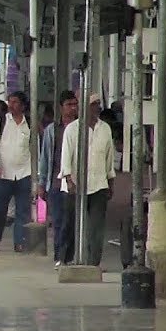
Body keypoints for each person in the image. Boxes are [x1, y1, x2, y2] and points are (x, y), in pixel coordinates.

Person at [58, 92, 116, 267]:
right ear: (84, 107)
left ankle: (93, 262)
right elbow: (66, 157)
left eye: (98, 103)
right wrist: (69, 180)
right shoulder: (72, 129)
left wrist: (110, 182)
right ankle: (65, 258)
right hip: (75, 185)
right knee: (70, 224)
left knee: (96, 227)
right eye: (93, 104)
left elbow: (109, 158)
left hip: (98, 184)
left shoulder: (105, 129)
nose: (97, 107)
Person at [0, 91, 34, 252]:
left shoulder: (30, 124)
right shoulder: (1, 122)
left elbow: (35, 149)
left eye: (15, 102)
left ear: (23, 106)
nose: (11, 105)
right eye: (10, 102)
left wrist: (36, 174)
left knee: (23, 211)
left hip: (24, 173)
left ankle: (19, 242)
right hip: (3, 174)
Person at [37, 90, 78, 267]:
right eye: (69, 105)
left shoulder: (80, 129)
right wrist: (41, 183)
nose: (73, 108)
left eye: (75, 104)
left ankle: (70, 255)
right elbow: (45, 158)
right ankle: (60, 256)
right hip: (55, 182)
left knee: (73, 222)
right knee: (59, 221)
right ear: (61, 107)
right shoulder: (52, 130)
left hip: (75, 182)